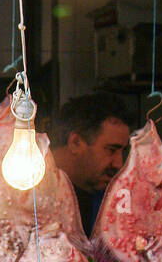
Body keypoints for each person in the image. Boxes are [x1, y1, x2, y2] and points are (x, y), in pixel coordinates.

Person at [49, 93, 132, 237]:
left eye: (122, 152)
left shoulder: (111, 199)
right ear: (76, 142)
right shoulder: (26, 186)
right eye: (111, 150)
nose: (119, 164)